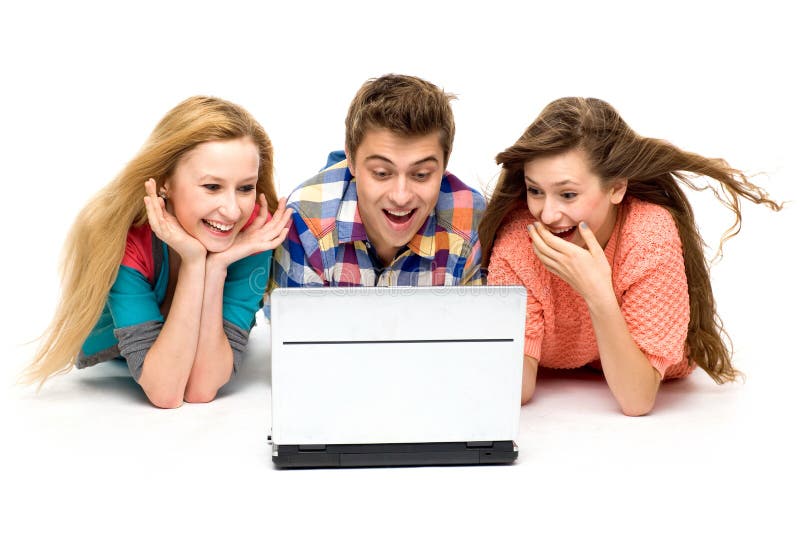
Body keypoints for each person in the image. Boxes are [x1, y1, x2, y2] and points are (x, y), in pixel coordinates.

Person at [478, 97, 781, 416]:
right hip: (560, 371)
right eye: (535, 191)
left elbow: (637, 400)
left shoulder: (648, 234)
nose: (548, 214)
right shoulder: (519, 240)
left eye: (568, 194)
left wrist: (597, 293)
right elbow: (514, 388)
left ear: (616, 189)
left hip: (642, 371)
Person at [25, 96, 293, 408]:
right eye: (212, 187)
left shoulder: (254, 233)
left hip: (198, 347)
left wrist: (218, 267)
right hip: (128, 357)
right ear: (165, 183)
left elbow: (201, 389)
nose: (233, 211)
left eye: (245, 187)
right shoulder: (124, 240)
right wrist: (195, 263)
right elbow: (165, 391)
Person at [269, 74, 485, 289]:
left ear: (445, 166)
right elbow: (297, 323)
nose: (401, 196)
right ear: (351, 161)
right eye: (381, 173)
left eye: (421, 174)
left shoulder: (470, 220)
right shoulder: (306, 219)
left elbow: (475, 323)